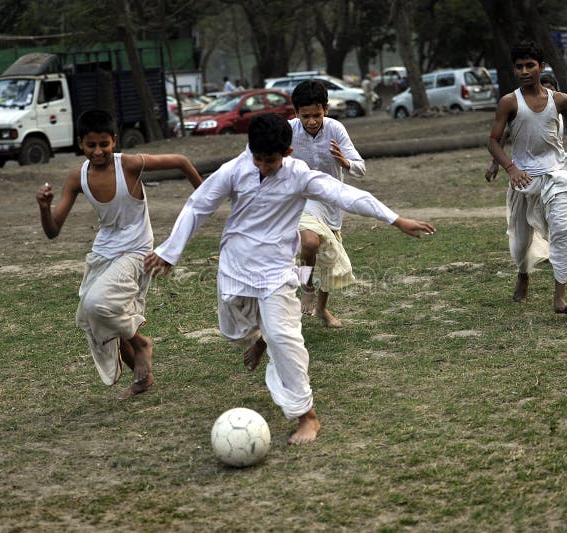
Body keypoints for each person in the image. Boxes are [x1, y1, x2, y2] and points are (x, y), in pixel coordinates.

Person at [144, 114, 435, 445]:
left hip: (276, 271)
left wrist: (395, 219)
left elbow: (347, 195)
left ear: (288, 152)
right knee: (233, 331)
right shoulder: (235, 169)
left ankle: (307, 415)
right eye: (259, 158)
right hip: (234, 267)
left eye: (272, 160)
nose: (264, 166)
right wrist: (170, 250)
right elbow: (198, 207)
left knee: (286, 339)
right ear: (249, 149)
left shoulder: (299, 175)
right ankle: (260, 339)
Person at [35, 109, 202, 400]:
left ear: (114, 140)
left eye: (104, 144)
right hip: (103, 253)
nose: (98, 151)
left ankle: (141, 345)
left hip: (137, 250)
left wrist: (204, 198)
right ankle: (143, 378)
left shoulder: (130, 165)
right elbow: (53, 231)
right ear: (80, 144)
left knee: (99, 303)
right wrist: (43, 207)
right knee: (97, 316)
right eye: (91, 145)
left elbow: (182, 162)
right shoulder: (78, 177)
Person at [487, 41, 567, 315]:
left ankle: (559, 297)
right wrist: (509, 168)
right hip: (525, 182)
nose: (525, 71)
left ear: (541, 67)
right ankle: (523, 274)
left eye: (530, 65)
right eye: (519, 67)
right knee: (521, 242)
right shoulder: (509, 102)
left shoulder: (560, 100)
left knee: (563, 230)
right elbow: (493, 141)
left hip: (557, 177)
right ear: (514, 69)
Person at [289, 79, 365, 328]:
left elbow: (360, 168)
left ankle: (322, 308)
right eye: (306, 116)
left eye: (317, 115)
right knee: (310, 242)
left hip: (331, 201)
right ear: (296, 112)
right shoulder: (288, 130)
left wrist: (345, 162)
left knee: (328, 258)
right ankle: (306, 285)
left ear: (326, 110)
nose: (311, 121)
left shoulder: (335, 129)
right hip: (301, 200)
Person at [486, 73, 567, 185]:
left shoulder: (562, 112)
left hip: (556, 166)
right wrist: (496, 162)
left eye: (550, 89)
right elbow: (501, 137)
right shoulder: (521, 111)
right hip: (529, 171)